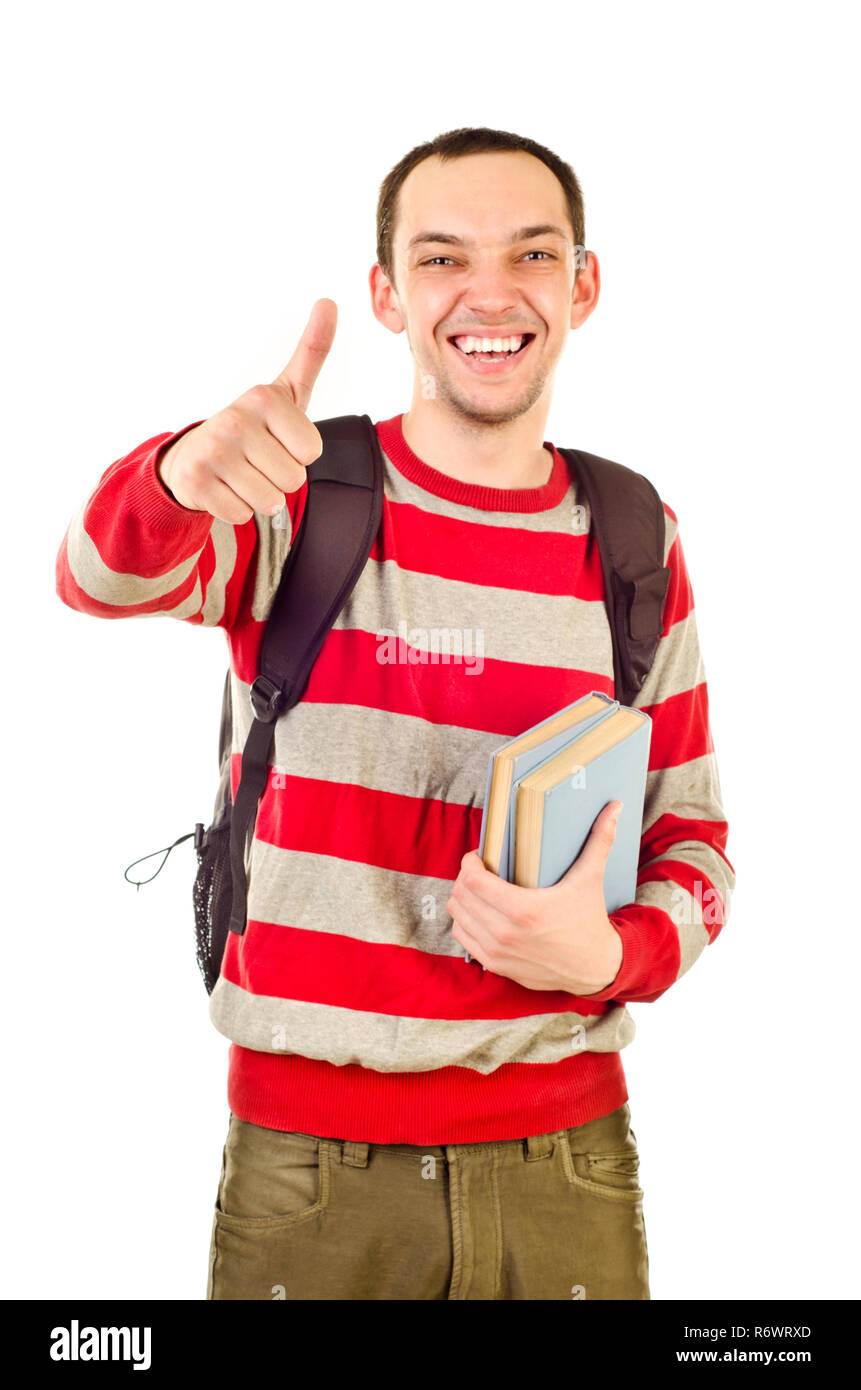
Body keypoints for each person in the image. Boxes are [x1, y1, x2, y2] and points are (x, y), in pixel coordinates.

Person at [55, 126, 735, 1301]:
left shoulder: (637, 536)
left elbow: (696, 845)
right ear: (385, 294)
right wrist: (178, 475)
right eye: (439, 258)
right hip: (311, 1180)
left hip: (566, 1169)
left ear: (583, 286)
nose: (489, 292)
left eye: (532, 254)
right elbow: (97, 579)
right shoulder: (297, 492)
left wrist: (608, 954)